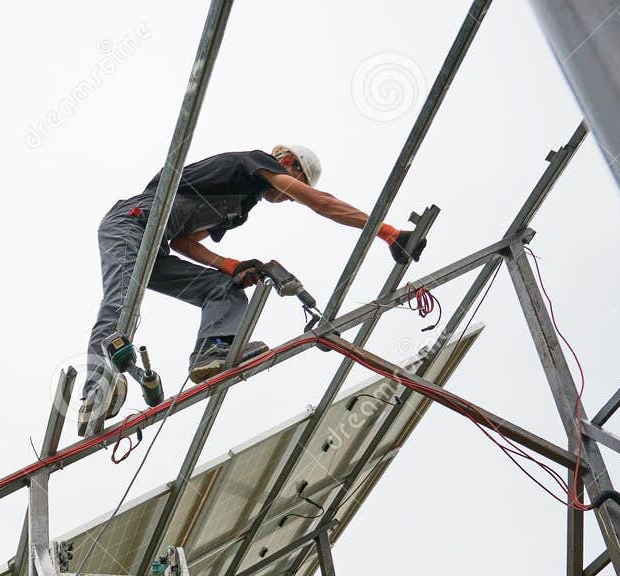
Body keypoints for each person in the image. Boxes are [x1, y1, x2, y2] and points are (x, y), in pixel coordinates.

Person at [78, 143, 424, 435]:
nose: (290, 197)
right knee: (123, 301)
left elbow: (183, 240)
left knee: (221, 287)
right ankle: (94, 390)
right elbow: (320, 202)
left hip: (159, 244)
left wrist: (229, 266)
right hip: (132, 223)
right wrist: (389, 233)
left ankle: (211, 352)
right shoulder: (255, 163)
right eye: (296, 180)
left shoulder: (240, 208)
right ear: (286, 161)